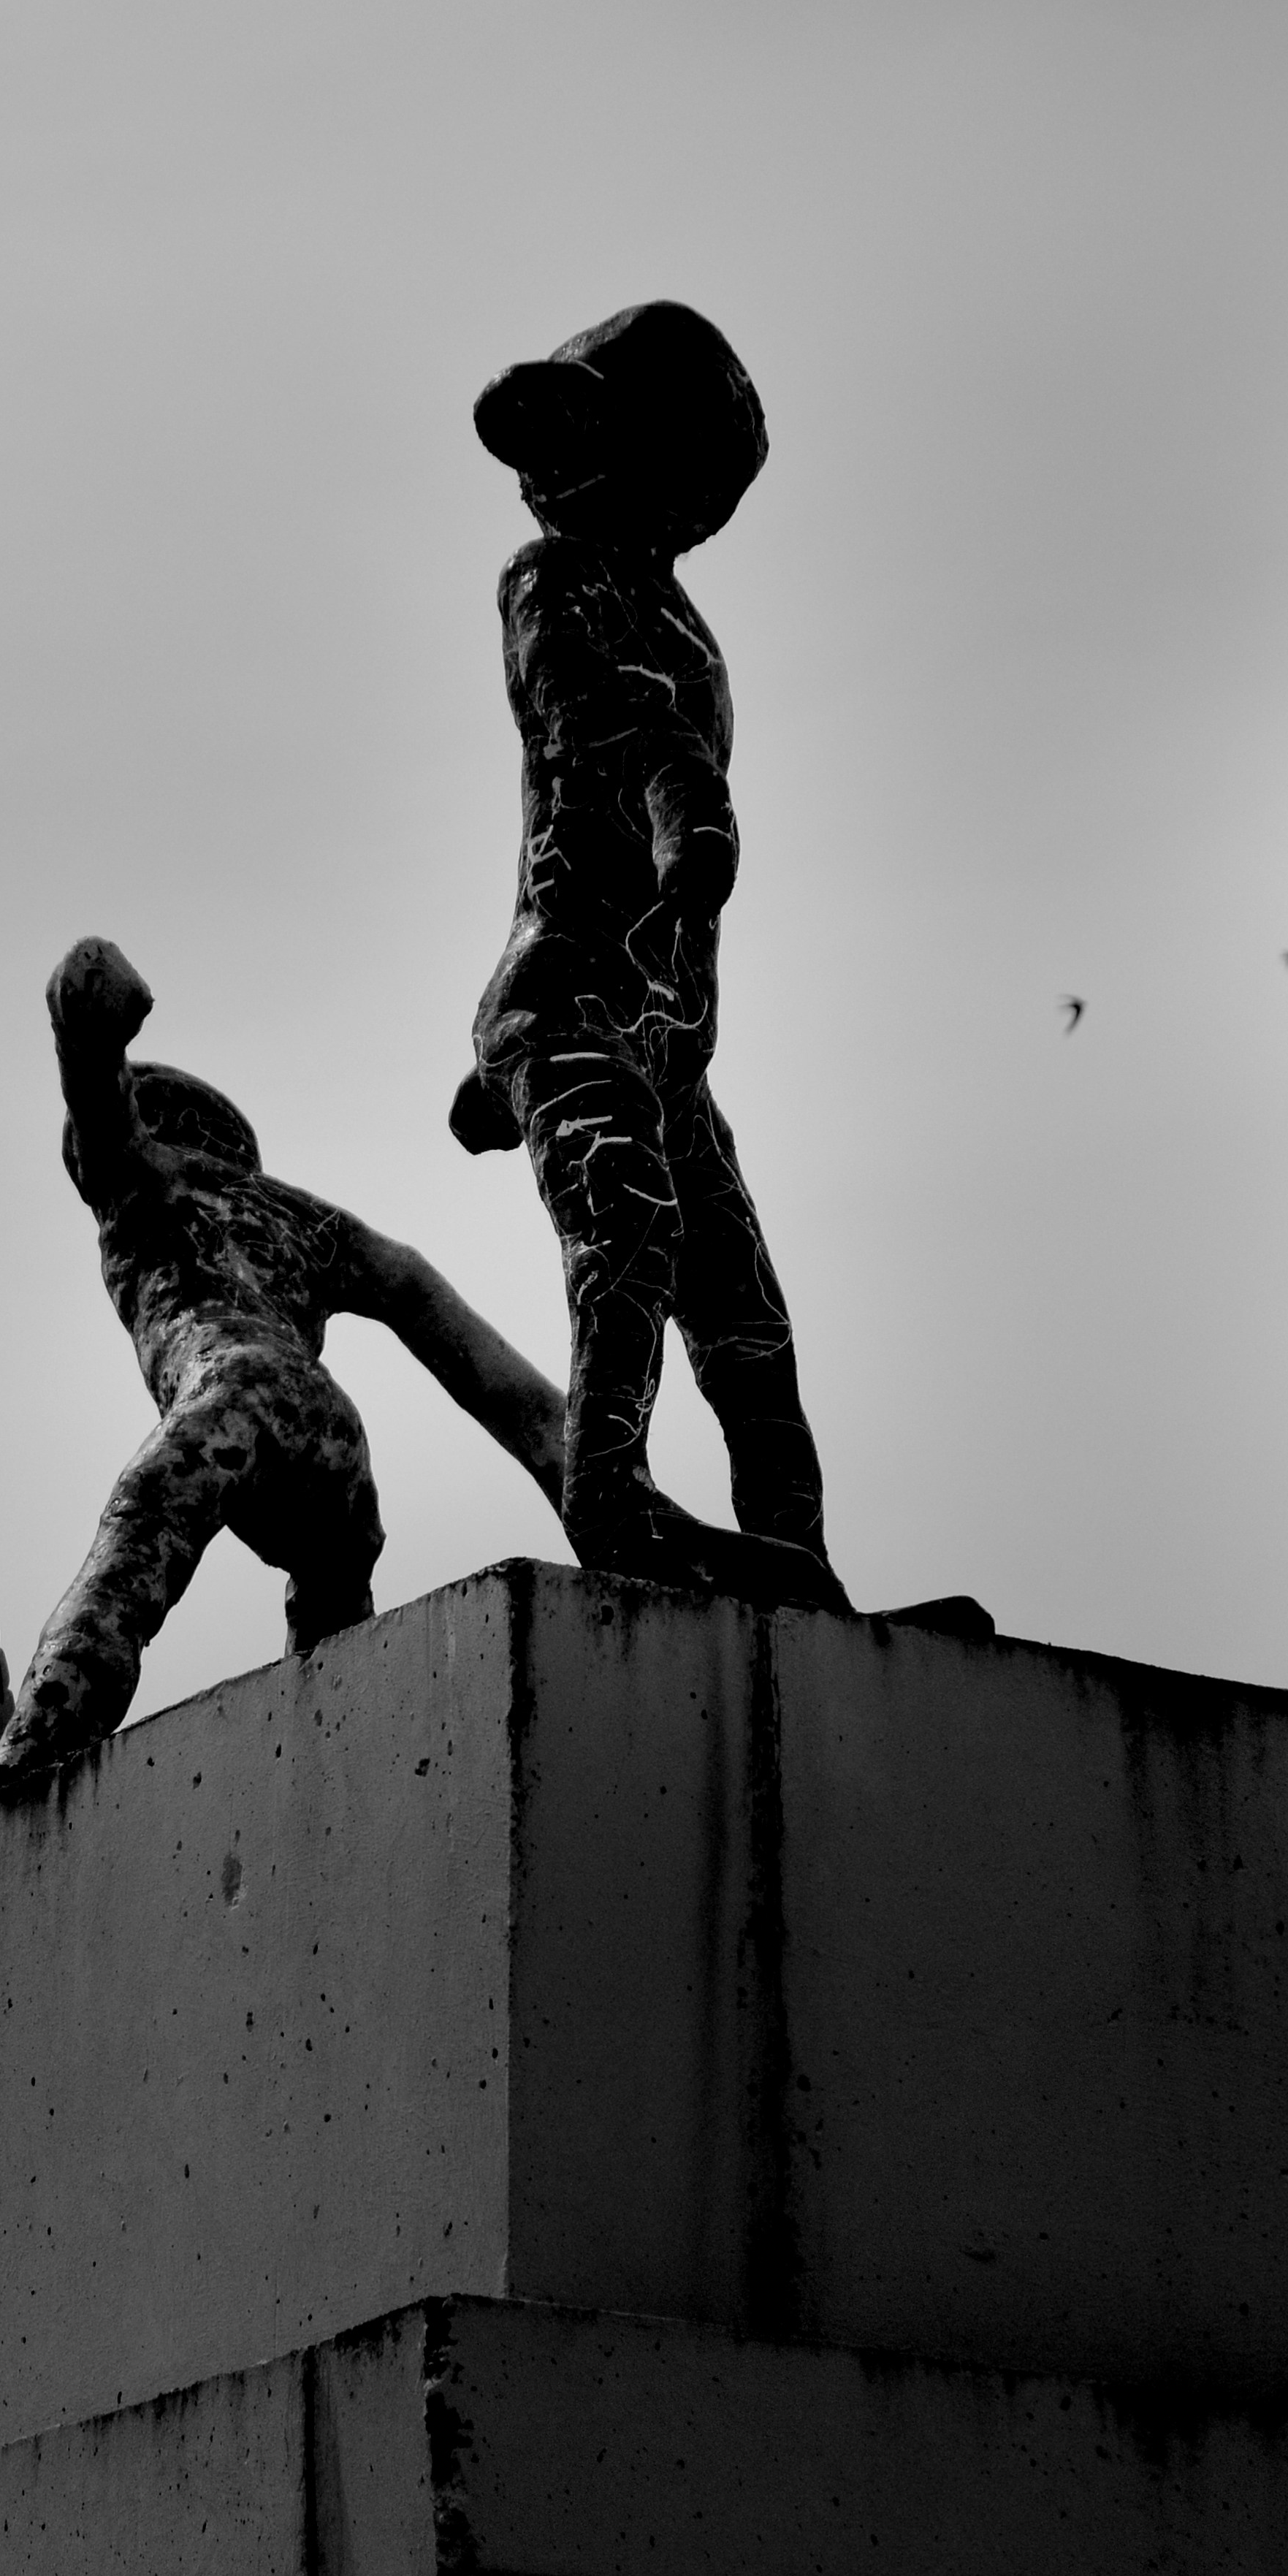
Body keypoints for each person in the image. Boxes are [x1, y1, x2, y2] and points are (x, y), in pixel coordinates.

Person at [0, 937, 575, 1809]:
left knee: (145, 1519)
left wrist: (99, 1002)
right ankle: (339, 1770)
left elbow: (82, 1020)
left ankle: (36, 1752)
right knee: (332, 1593)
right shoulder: (314, 1224)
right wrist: (582, 1481)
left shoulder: (141, 1180)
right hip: (337, 1439)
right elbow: (490, 1377)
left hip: (234, 1393)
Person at [454, 302, 844, 1609]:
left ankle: (797, 1554)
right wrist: (693, 811)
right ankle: (606, 1488)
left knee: (747, 1317)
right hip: (569, 1004)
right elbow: (595, 717)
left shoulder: (678, 615)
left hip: (666, 1043)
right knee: (632, 1231)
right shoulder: (555, 582)